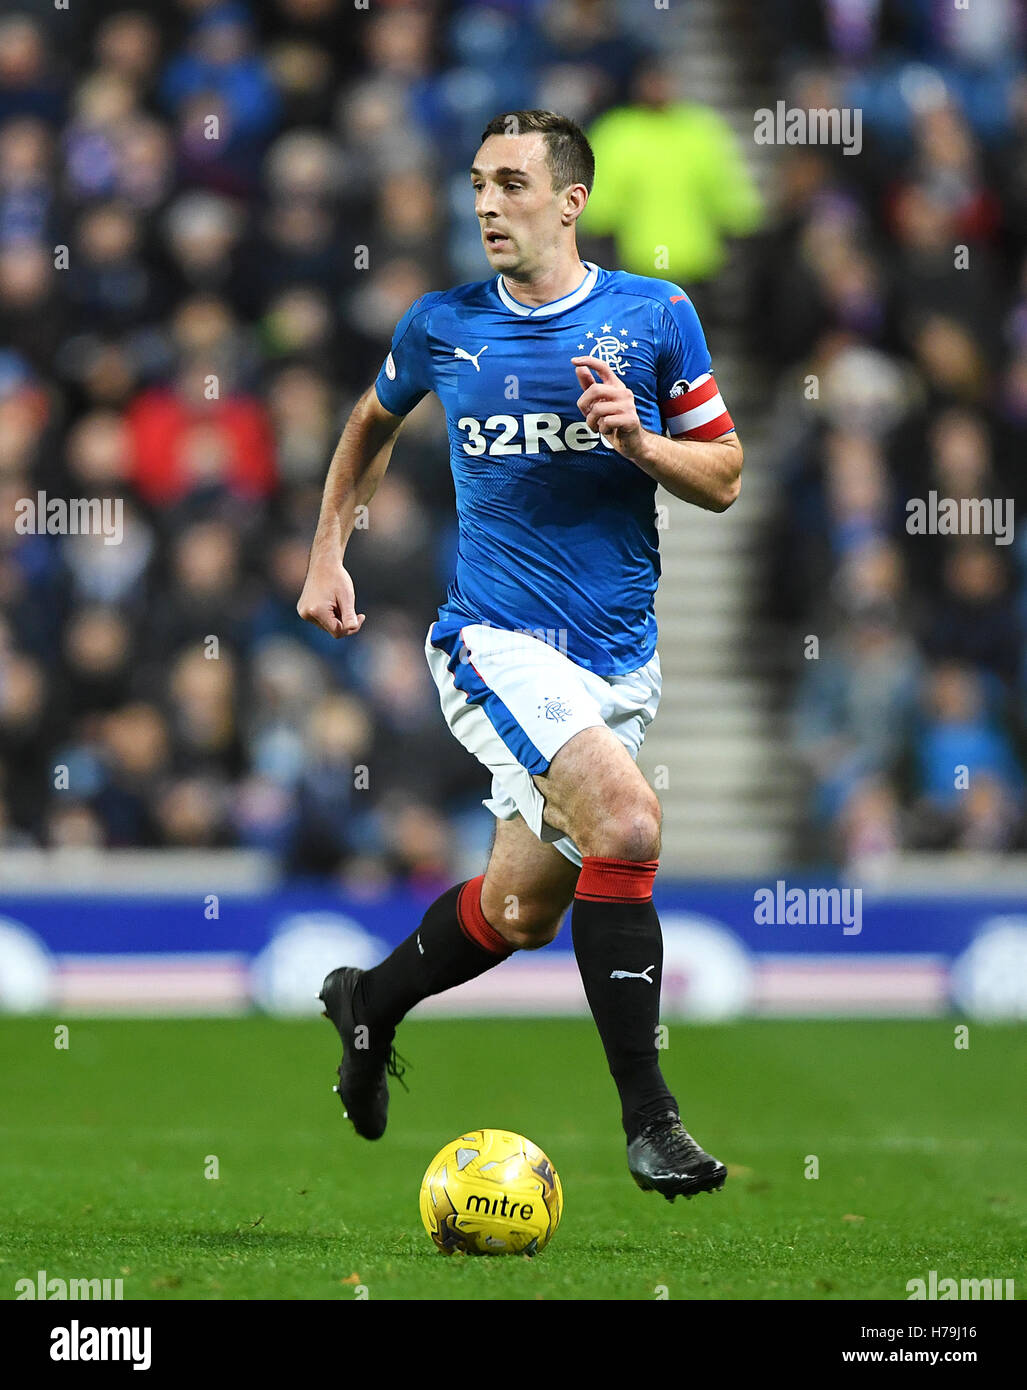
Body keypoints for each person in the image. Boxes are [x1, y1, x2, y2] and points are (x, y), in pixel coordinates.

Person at [298, 110, 742, 1201]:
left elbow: (724, 474)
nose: (487, 205)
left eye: (510, 184)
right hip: (494, 642)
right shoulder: (443, 324)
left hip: (617, 660)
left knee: (518, 913)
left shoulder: (655, 316)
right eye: (477, 184)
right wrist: (327, 555)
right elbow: (368, 422)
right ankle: (652, 1122)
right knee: (626, 822)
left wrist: (637, 441)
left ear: (571, 200)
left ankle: (369, 1002)